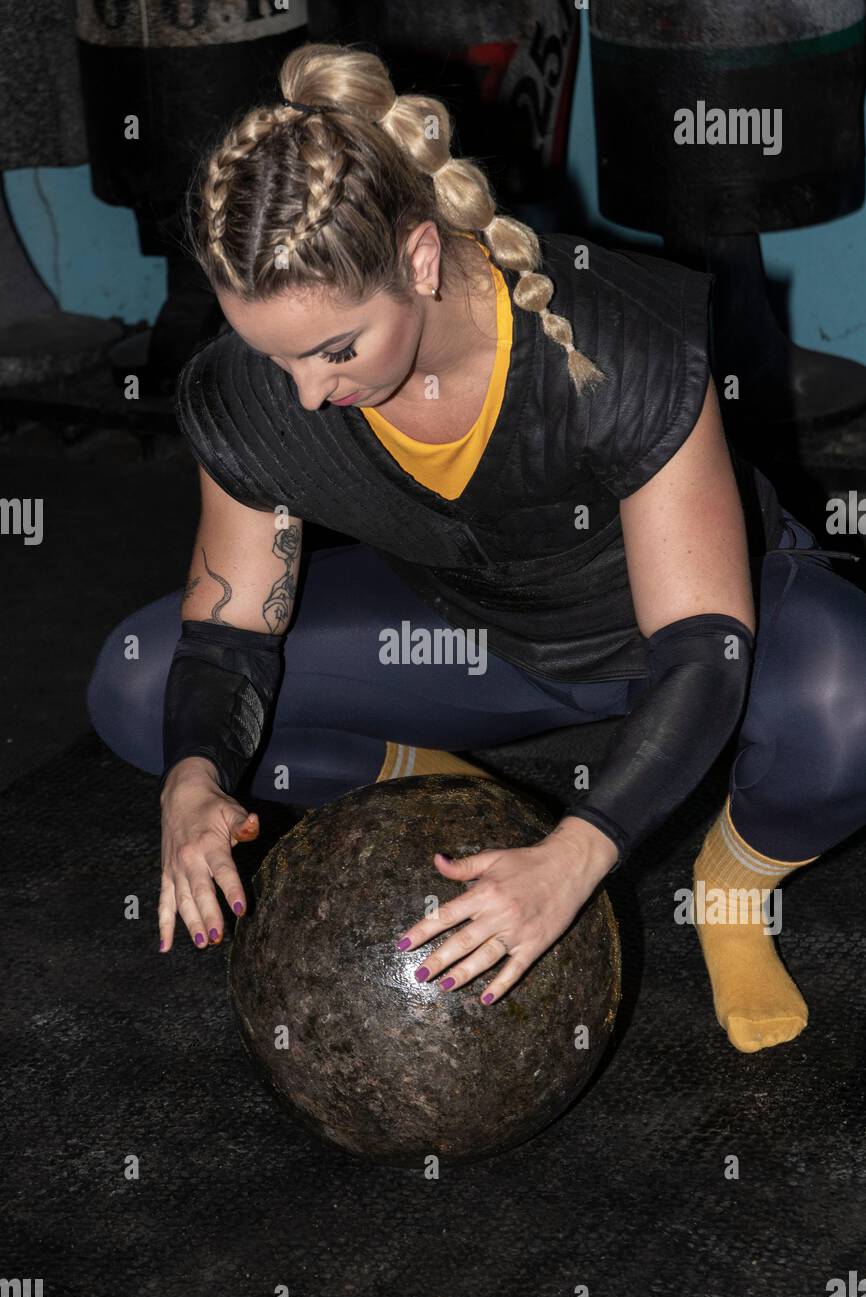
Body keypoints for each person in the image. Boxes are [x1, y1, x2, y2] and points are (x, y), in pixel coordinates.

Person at [88, 42, 866, 1055]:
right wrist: (195, 774)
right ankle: (445, 789)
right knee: (141, 691)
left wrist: (578, 855)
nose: (307, 395)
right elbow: (230, 632)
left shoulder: (611, 335)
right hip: (469, 633)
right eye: (270, 354)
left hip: (681, 633)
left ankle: (731, 881)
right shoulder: (261, 394)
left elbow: (700, 645)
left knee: (848, 694)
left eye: (334, 350)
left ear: (416, 258)